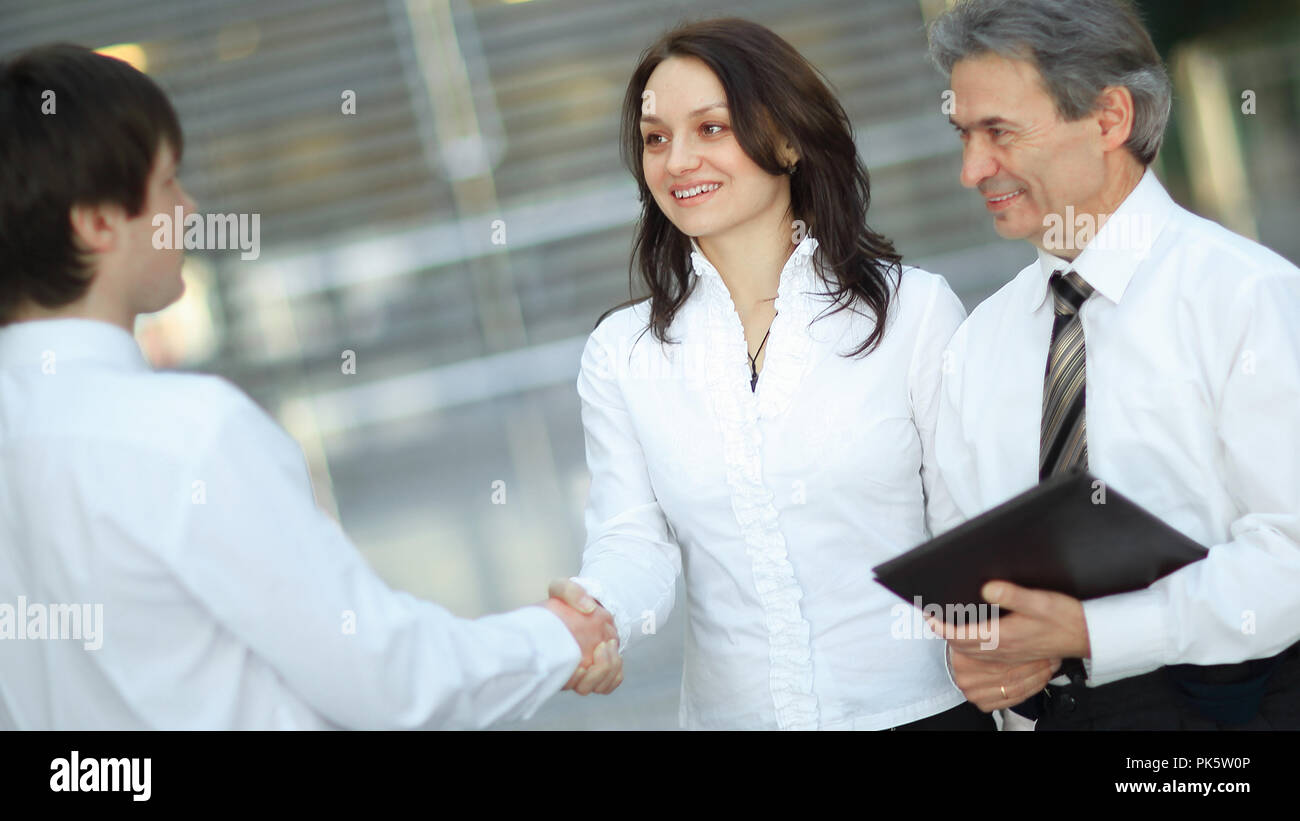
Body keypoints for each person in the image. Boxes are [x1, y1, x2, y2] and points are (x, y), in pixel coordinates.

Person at [0, 43, 621, 730]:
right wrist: (563, 635)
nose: (188, 204)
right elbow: (388, 681)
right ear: (96, 222)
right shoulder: (187, 436)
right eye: (168, 182)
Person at [546, 18, 983, 730]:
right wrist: (596, 617)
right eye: (656, 138)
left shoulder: (915, 312)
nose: (677, 159)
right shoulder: (621, 353)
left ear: (786, 139)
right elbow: (632, 541)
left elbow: (971, 527)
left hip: (919, 711)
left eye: (711, 129)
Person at [925, 0, 1300, 729]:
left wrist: (1096, 632)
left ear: (1108, 118)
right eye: (964, 135)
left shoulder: (1250, 297)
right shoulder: (978, 344)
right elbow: (969, 569)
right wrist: (974, 658)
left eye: (999, 132)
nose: (973, 169)